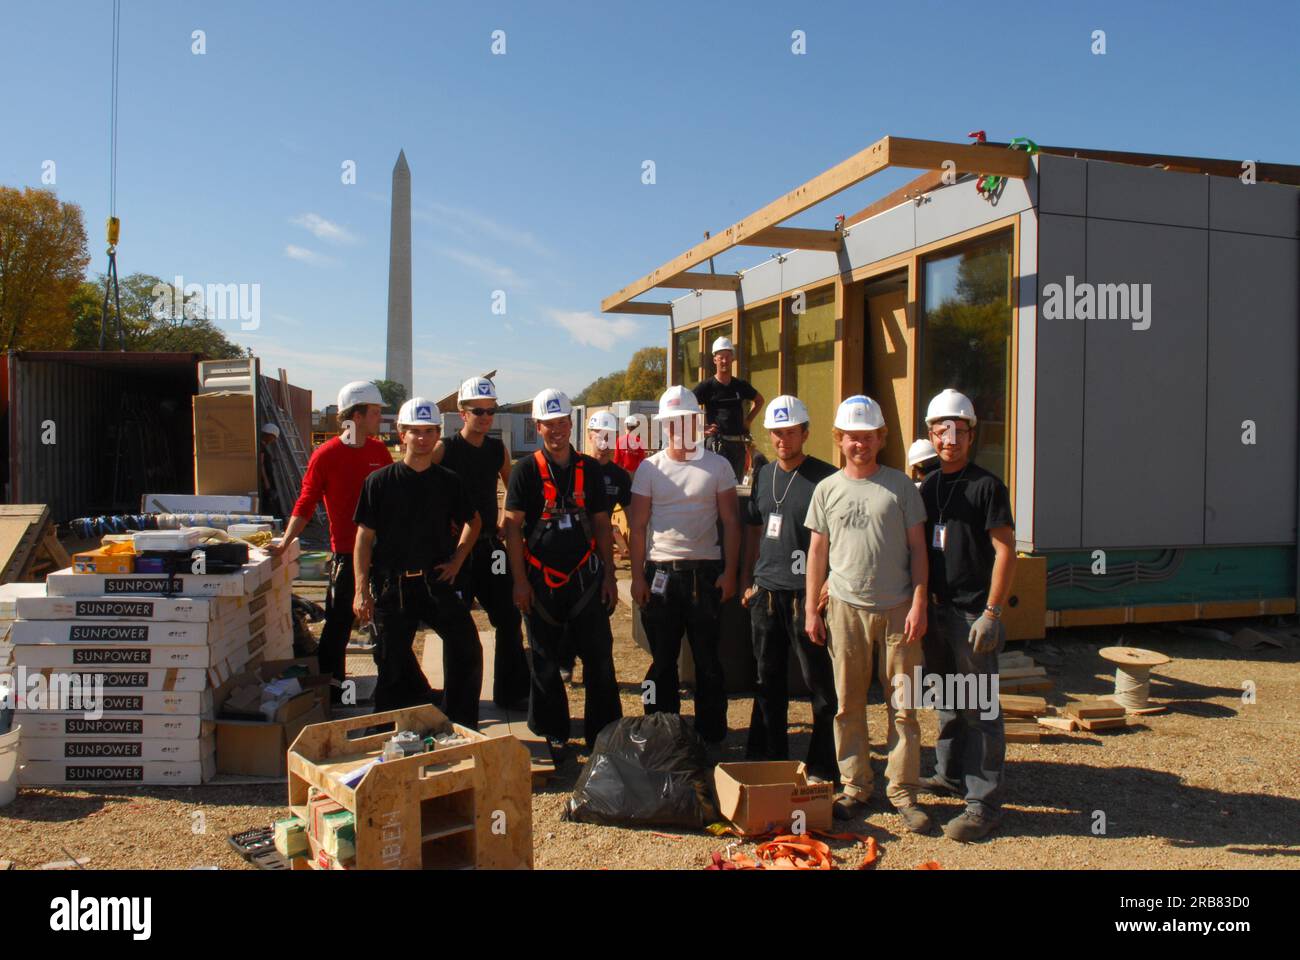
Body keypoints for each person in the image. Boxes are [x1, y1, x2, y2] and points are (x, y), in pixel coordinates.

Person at [805, 394, 931, 832]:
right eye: (851, 438)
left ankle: (903, 791)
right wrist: (810, 610)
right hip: (843, 609)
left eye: (867, 437)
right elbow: (817, 552)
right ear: (839, 440)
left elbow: (918, 550)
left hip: (898, 610)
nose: (859, 444)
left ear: (881, 438)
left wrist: (918, 602)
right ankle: (856, 785)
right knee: (848, 704)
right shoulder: (827, 489)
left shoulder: (901, 488)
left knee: (904, 707)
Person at [917, 388, 1016, 842]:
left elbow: (1005, 551)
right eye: (941, 430)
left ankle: (984, 804)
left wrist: (992, 612)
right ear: (931, 435)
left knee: (980, 709)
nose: (948, 438)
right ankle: (948, 774)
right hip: (936, 611)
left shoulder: (987, 486)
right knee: (946, 700)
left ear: (971, 434)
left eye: (957, 430)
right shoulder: (930, 485)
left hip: (972, 614)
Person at [503, 389, 621, 762]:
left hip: (586, 579)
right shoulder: (525, 472)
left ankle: (603, 732)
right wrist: (520, 582)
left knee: (600, 658)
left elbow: (603, 525)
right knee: (544, 661)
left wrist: (609, 576)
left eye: (562, 423)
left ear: (571, 424)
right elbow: (512, 530)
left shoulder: (589, 471)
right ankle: (553, 732)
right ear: (538, 427)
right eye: (548, 425)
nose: (556, 431)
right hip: (540, 583)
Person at [353, 398, 483, 725]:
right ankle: (387, 736)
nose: (422, 438)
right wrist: (360, 589)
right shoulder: (380, 482)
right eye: (415, 432)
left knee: (467, 649)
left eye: (429, 431)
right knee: (391, 667)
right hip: (392, 587)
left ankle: (459, 724)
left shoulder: (448, 481)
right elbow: (364, 539)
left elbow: (474, 521)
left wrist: (457, 560)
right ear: (401, 434)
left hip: (435, 583)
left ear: (438, 433)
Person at [628, 385, 741, 751]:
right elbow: (639, 526)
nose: (679, 429)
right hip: (662, 574)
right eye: (672, 423)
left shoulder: (718, 466)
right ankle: (662, 731)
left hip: (705, 575)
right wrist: (637, 577)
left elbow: (732, 523)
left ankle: (712, 735)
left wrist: (730, 573)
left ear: (697, 422)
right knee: (662, 661)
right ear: (665, 426)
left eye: (686, 421)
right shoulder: (649, 469)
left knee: (708, 660)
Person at [269, 381, 390, 700]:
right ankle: (331, 691)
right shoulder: (326, 456)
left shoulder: (379, 452)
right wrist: (285, 542)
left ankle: (393, 686)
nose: (381, 418)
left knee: (386, 623)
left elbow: (397, 497)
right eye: (376, 412)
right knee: (338, 627)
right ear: (357, 415)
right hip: (347, 556)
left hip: (383, 555)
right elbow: (305, 502)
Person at [739, 395, 838, 782]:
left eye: (790, 432)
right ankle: (769, 757)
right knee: (767, 680)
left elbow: (838, 538)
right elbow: (753, 528)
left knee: (819, 686)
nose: (783, 440)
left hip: (806, 596)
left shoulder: (826, 478)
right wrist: (749, 579)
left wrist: (827, 584)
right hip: (766, 593)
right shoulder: (763, 476)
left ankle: (822, 765)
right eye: (777, 433)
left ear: (805, 433)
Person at [431, 376, 530, 709]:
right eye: (479, 411)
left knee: (508, 618)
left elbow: (513, 489)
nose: (486, 417)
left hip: (489, 550)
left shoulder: (496, 449)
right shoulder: (445, 449)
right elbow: (424, 490)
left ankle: (512, 693)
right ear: (462, 412)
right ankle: (457, 701)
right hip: (456, 552)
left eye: (491, 411)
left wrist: (504, 519)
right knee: (457, 626)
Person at [693, 337, 764, 482]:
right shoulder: (707, 387)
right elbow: (686, 407)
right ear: (715, 360)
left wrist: (748, 421)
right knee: (715, 484)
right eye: (721, 358)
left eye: (727, 357)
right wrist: (700, 428)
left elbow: (759, 400)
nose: (724, 361)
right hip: (716, 445)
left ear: (732, 358)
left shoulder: (740, 385)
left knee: (735, 485)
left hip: (738, 446)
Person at [258, 423, 282, 519]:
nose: (273, 440)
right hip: (264, 483)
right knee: (268, 504)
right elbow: (261, 464)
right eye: (273, 438)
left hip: (266, 481)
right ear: (268, 435)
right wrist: (267, 483)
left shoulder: (262, 446)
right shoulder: (261, 447)